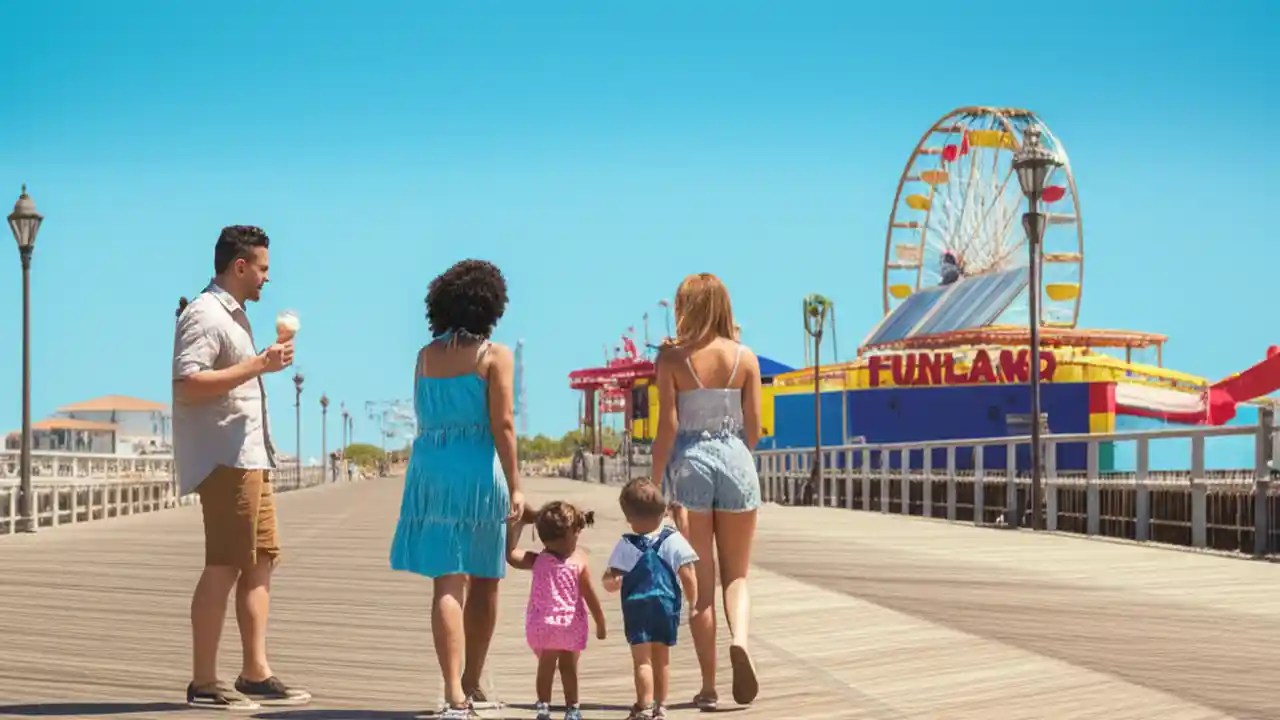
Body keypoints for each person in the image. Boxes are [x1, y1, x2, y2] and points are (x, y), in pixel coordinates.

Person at [172, 225, 311, 710]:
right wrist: (259, 365)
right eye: (263, 268)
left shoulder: (235, 317)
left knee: (261, 561)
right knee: (225, 564)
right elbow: (187, 384)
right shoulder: (205, 315)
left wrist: (260, 362)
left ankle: (255, 671)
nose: (267, 279)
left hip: (252, 456)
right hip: (226, 459)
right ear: (240, 266)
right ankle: (204, 682)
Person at [389, 259, 524, 719]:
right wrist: (517, 485)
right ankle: (471, 683)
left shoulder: (425, 357)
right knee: (486, 582)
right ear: (491, 305)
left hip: (431, 469)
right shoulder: (494, 356)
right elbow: (502, 424)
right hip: (478, 471)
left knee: (447, 582)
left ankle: (451, 691)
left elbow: (425, 416)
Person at [650, 272, 762, 710]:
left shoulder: (673, 360)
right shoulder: (745, 358)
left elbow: (667, 429)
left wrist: (655, 484)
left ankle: (710, 687)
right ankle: (741, 641)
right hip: (736, 461)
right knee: (737, 576)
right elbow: (753, 430)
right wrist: (733, 449)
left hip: (691, 467)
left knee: (700, 584)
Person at [603, 478, 698, 720]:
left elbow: (609, 580)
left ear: (630, 519)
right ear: (663, 511)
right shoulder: (673, 540)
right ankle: (661, 706)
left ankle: (644, 706)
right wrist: (693, 602)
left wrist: (614, 582)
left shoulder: (627, 544)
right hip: (666, 607)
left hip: (637, 608)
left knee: (642, 661)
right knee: (662, 658)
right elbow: (688, 574)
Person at [507, 501, 607, 720]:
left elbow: (511, 555)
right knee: (569, 669)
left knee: (546, 667)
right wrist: (600, 622)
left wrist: (520, 523)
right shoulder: (578, 562)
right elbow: (590, 596)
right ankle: (573, 709)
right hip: (570, 625)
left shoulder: (538, 559)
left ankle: (543, 706)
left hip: (543, 625)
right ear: (571, 535)